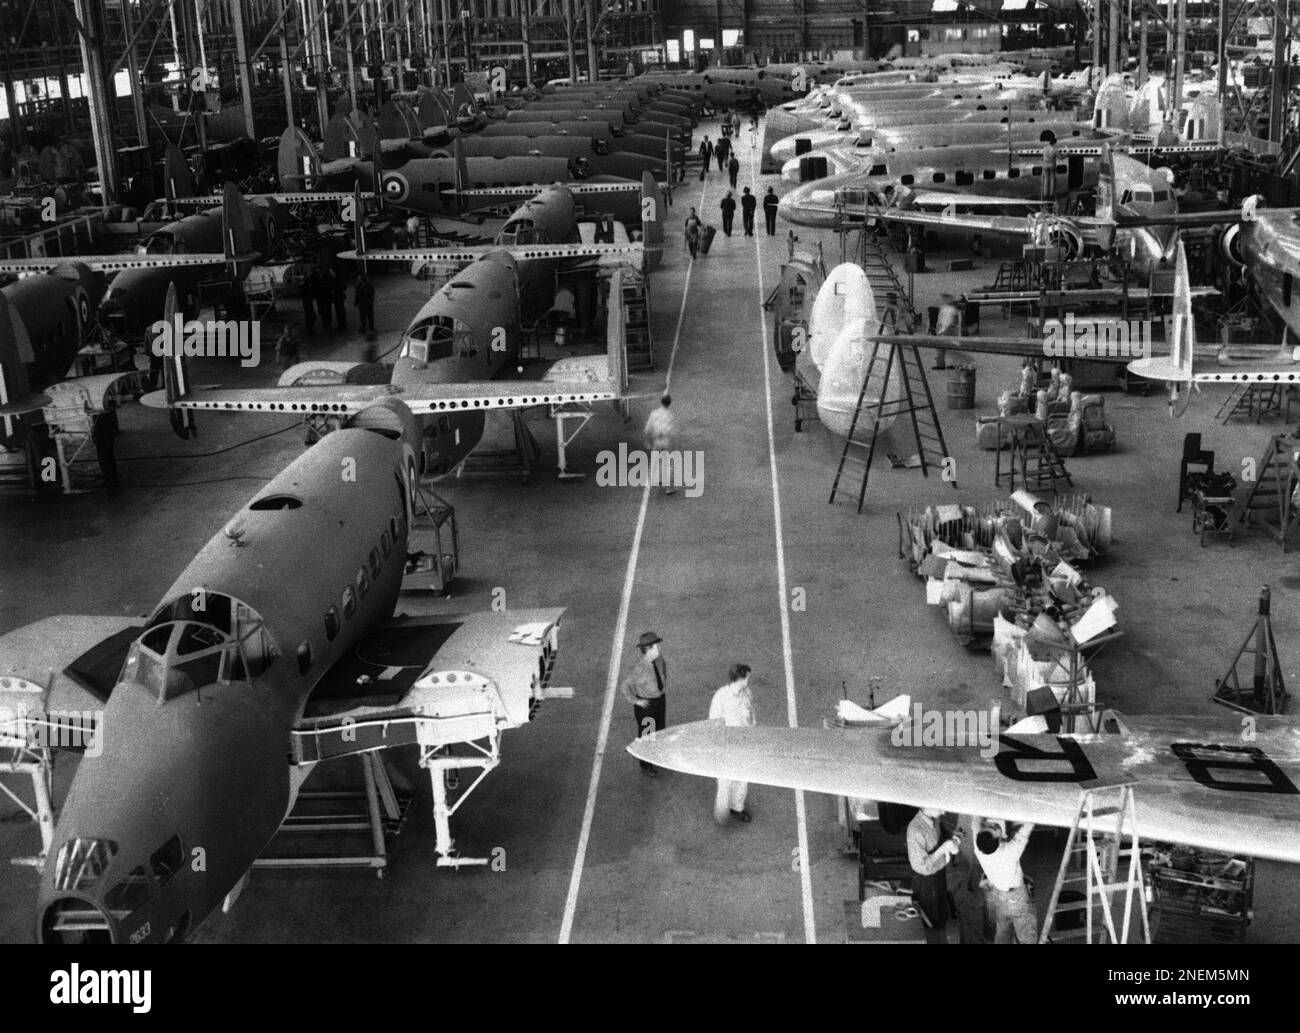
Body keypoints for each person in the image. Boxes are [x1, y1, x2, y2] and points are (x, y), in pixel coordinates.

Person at [974, 820, 1037, 944]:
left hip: (999, 895)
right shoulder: (1010, 851)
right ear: (997, 839)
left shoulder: (979, 850)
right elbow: (1026, 828)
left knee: (1003, 928)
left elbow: (975, 825)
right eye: (993, 828)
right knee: (1026, 931)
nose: (993, 825)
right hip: (1017, 898)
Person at [907, 807, 963, 943]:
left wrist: (955, 839)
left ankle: (940, 935)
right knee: (929, 921)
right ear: (928, 806)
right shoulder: (915, 830)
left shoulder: (934, 819)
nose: (944, 812)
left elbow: (942, 837)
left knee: (941, 913)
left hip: (939, 873)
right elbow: (920, 866)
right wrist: (942, 850)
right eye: (940, 809)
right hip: (926, 881)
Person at [708, 664, 756, 823]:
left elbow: (751, 714)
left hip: (744, 743)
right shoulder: (721, 697)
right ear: (740, 679)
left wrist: (753, 731)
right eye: (747, 678)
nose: (748, 681)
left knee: (743, 778)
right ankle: (722, 812)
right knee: (725, 781)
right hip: (726, 746)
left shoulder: (747, 693)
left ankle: (737, 807)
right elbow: (713, 723)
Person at [619, 631, 668, 775]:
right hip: (647, 707)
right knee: (647, 736)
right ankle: (646, 766)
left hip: (659, 701)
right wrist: (637, 701)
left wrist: (661, 691)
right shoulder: (639, 668)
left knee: (660, 730)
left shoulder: (659, 659)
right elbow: (625, 686)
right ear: (648, 649)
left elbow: (663, 674)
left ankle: (656, 757)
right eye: (656, 646)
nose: (659, 648)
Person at [643, 393, 676, 494]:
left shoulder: (654, 414)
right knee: (667, 464)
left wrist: (648, 441)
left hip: (657, 440)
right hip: (666, 441)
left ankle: (654, 481)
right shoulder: (670, 415)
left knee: (655, 462)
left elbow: (647, 429)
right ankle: (669, 488)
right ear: (669, 403)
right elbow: (672, 431)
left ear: (661, 402)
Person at [92, 407, 119, 488]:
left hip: (101, 425)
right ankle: (113, 475)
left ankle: (109, 478)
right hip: (107, 422)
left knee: (103, 454)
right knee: (109, 451)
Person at [301, 266, 319, 332]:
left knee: (310, 315)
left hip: (308, 299)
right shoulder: (309, 279)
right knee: (310, 315)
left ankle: (309, 328)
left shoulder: (309, 279)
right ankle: (309, 328)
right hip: (307, 299)